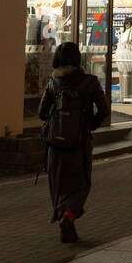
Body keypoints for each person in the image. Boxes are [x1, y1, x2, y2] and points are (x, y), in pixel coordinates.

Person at [38, 41, 108, 243]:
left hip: (55, 145)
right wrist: (89, 126)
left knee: (59, 183)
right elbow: (103, 110)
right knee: (80, 182)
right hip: (79, 142)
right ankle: (68, 218)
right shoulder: (90, 82)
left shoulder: (53, 82)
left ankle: (63, 216)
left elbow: (42, 113)